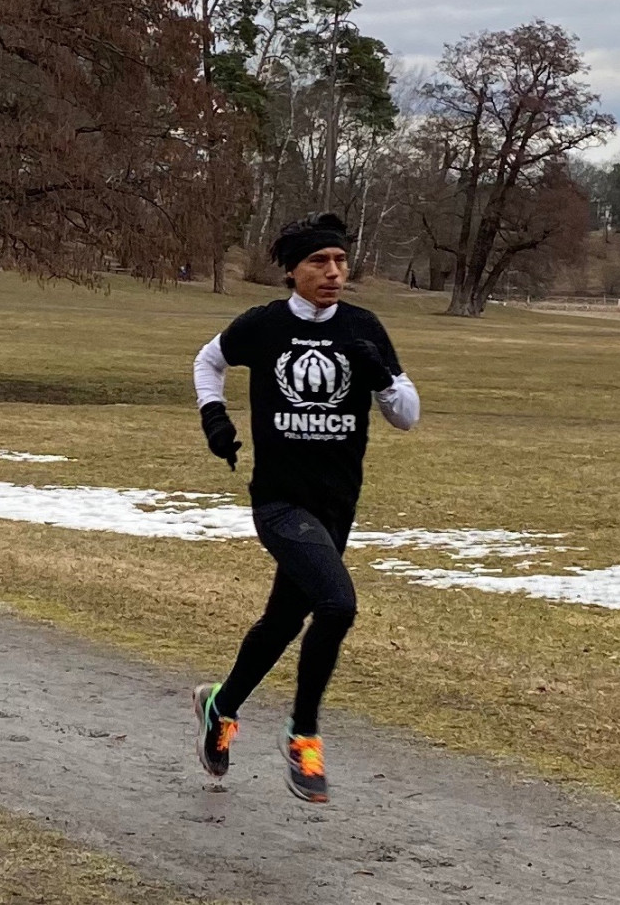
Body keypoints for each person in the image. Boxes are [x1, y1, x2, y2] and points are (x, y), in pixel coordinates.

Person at [190, 212, 421, 803]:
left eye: (341, 261)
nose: (333, 272)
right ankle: (304, 735)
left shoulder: (363, 327)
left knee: (284, 620)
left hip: (337, 503)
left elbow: (408, 415)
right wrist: (214, 415)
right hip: (279, 501)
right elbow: (207, 360)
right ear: (291, 270)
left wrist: (383, 380)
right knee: (337, 605)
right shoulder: (264, 326)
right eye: (320, 261)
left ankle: (220, 706)